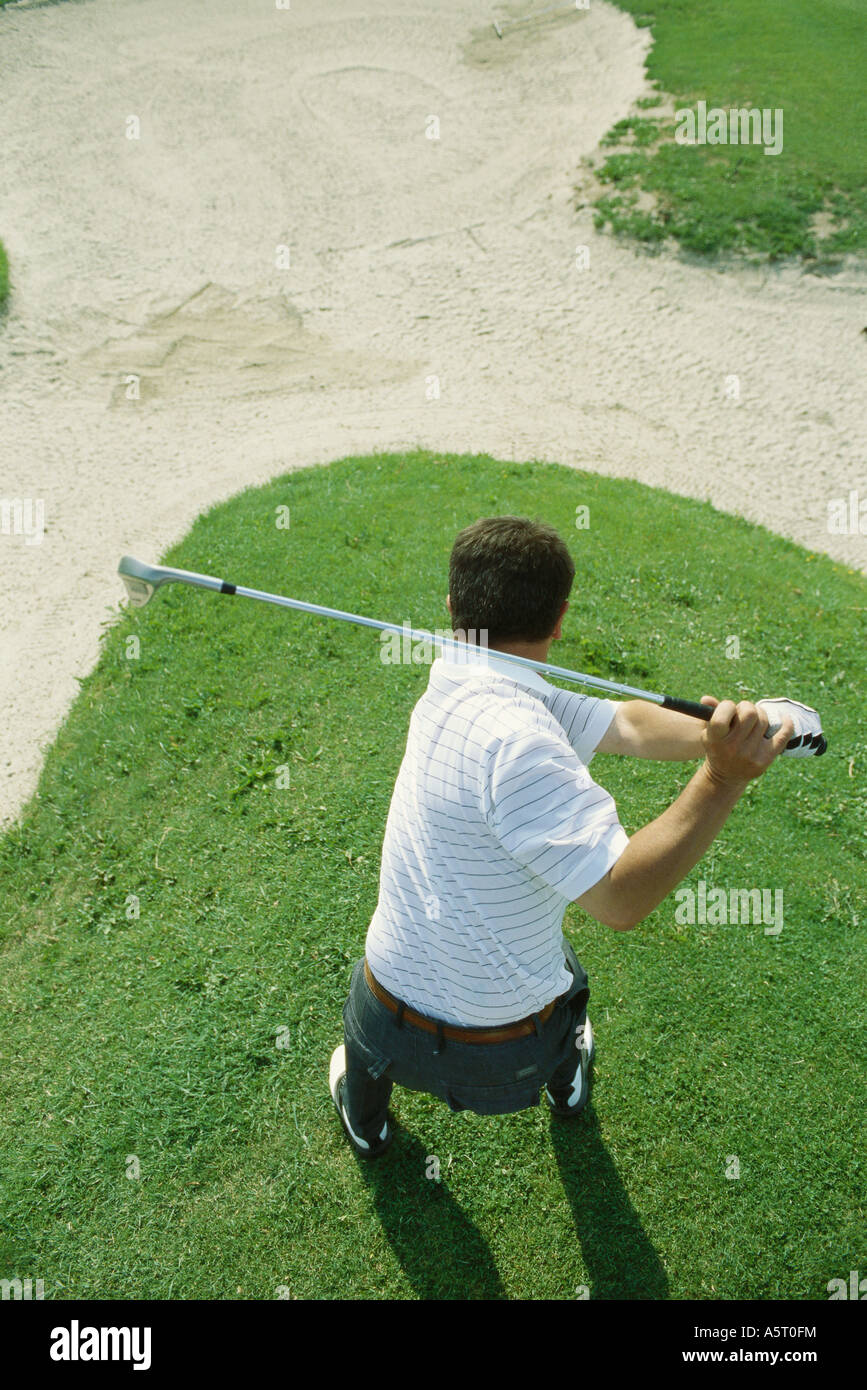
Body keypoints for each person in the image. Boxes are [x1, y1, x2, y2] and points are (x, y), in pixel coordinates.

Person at [329, 515, 796, 1159]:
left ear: (452, 608)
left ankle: (367, 1122)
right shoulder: (523, 742)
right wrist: (721, 775)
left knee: (370, 1016)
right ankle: (566, 1082)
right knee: (567, 976)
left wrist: (725, 730)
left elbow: (628, 726)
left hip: (383, 1022)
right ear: (560, 620)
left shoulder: (459, 674)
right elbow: (621, 901)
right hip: (503, 1058)